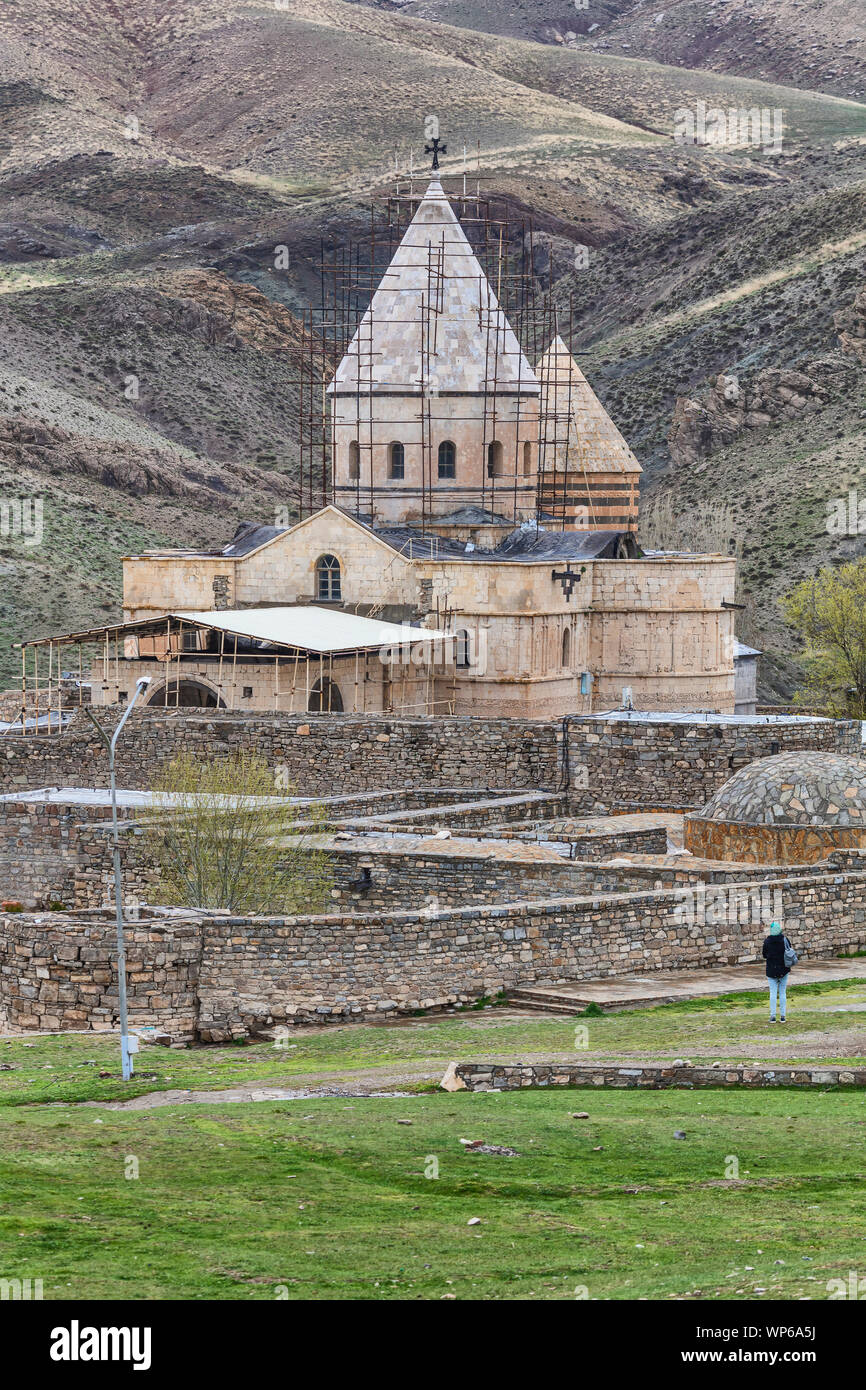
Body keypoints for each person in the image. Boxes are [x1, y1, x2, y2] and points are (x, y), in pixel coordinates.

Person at [762, 920, 793, 1022]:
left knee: (773, 993)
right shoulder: (785, 940)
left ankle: (773, 1016)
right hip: (783, 969)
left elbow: (764, 955)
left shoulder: (767, 941)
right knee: (783, 993)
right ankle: (783, 1016)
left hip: (771, 970)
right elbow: (790, 951)